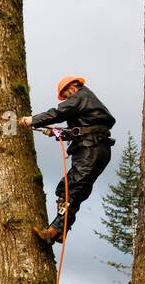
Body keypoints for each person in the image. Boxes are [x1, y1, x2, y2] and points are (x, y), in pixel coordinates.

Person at [19, 75, 117, 246]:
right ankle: (59, 231)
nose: (66, 95)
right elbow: (79, 130)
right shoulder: (86, 104)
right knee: (70, 190)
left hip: (91, 149)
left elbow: (59, 113)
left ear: (75, 85)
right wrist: (55, 133)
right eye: (64, 94)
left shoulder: (81, 96)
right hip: (94, 148)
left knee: (71, 189)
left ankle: (55, 230)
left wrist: (33, 120)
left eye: (66, 92)